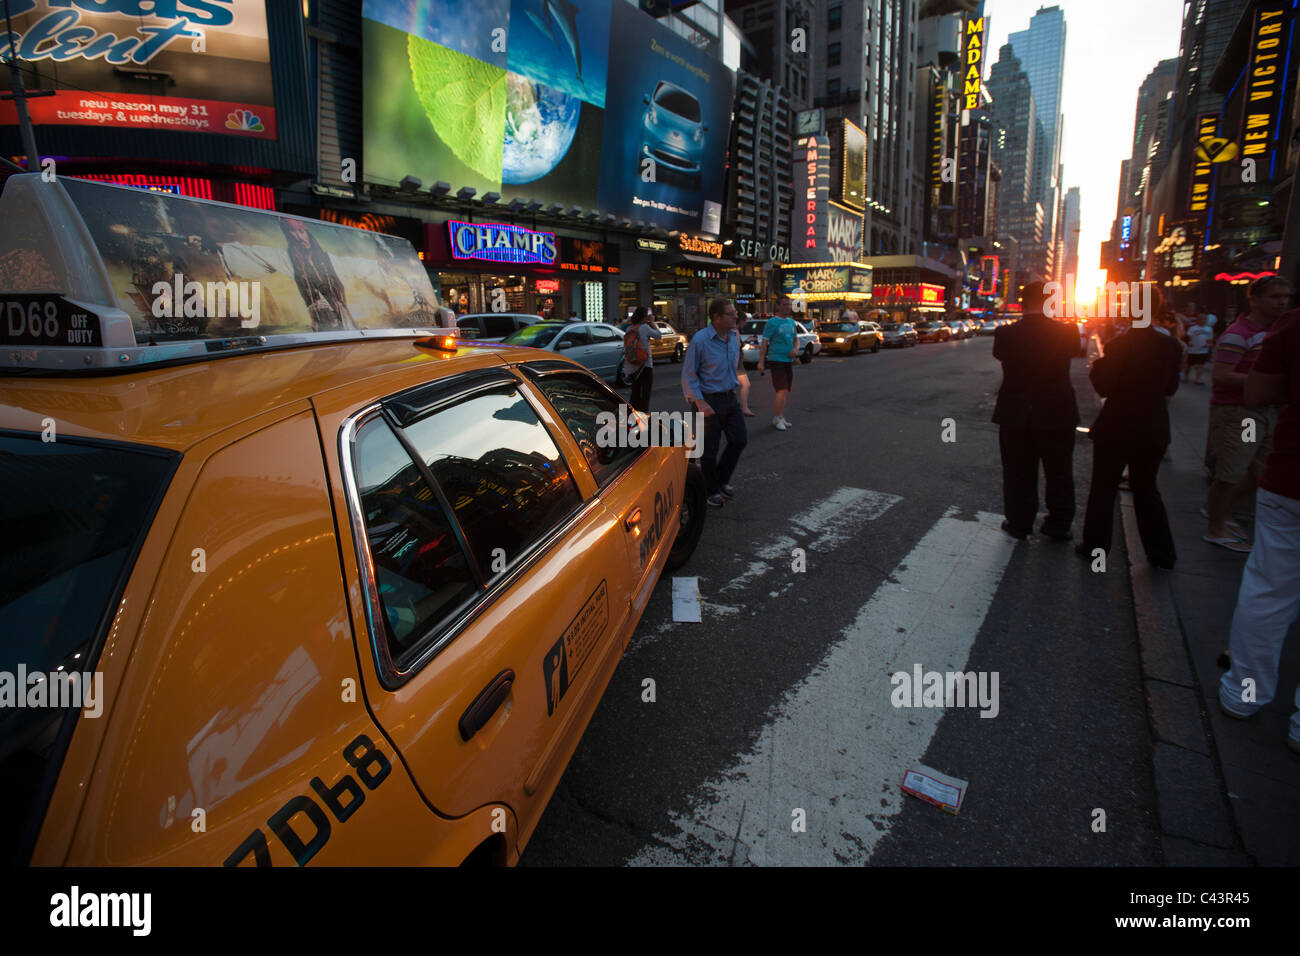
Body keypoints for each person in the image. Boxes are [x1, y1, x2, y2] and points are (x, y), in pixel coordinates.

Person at [1219, 311, 1300, 754]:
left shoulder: (1290, 325)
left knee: (1269, 590)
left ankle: (1242, 695)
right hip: (1289, 476)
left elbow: (1260, 390)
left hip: (1291, 478)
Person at [1079, 286, 1183, 569]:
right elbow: (1171, 387)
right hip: (1154, 426)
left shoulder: (1120, 345)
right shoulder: (1172, 346)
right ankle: (1161, 554)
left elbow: (1105, 386)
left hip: (1118, 424)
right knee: (1147, 488)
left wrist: (1098, 368)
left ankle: (1095, 548)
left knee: (1104, 487)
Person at [1202, 275, 1291, 551]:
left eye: (1285, 296)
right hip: (1241, 413)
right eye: (1274, 297)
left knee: (1260, 471)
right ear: (1254, 299)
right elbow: (1221, 375)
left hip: (1265, 411)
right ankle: (1216, 526)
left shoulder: (1277, 332)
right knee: (1232, 469)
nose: (1282, 302)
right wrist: (1265, 379)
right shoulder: (1238, 335)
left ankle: (1221, 510)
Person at [992, 278, 1081, 540]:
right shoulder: (1068, 332)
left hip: (1015, 413)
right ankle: (1059, 524)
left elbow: (1001, 356)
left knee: (1018, 471)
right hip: (1057, 413)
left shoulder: (1005, 334)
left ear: (1022, 303)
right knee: (1060, 472)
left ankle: (1020, 523)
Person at [682, 299, 747, 507]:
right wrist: (700, 403)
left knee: (739, 439)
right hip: (707, 400)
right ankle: (711, 491)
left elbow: (735, 366)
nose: (735, 317)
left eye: (734, 313)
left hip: (729, 397)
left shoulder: (733, 336)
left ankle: (719, 480)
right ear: (716, 317)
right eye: (730, 314)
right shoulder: (700, 340)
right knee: (709, 449)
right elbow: (688, 375)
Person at [758, 296, 799, 430]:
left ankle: (780, 417)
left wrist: (796, 349)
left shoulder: (792, 322)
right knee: (781, 389)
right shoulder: (772, 323)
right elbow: (764, 343)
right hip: (776, 359)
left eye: (789, 304)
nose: (787, 307)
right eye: (785, 304)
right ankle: (777, 417)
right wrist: (761, 362)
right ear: (778, 306)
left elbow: (796, 339)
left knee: (785, 390)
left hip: (788, 360)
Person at [623, 306, 663, 413]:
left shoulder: (629, 328)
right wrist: (653, 323)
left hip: (634, 365)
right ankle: (643, 416)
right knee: (645, 393)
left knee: (635, 392)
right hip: (645, 365)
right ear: (644, 317)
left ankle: (632, 415)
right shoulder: (644, 327)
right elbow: (659, 335)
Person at [1184, 313, 1215, 384]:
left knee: (1201, 365)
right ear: (1198, 320)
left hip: (1203, 350)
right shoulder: (1192, 328)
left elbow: (1210, 338)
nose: (1203, 321)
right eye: (1201, 319)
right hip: (1192, 350)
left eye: (1205, 319)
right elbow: (1187, 337)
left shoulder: (1209, 329)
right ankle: (1186, 377)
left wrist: (1208, 345)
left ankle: (1197, 379)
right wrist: (1188, 342)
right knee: (1188, 364)